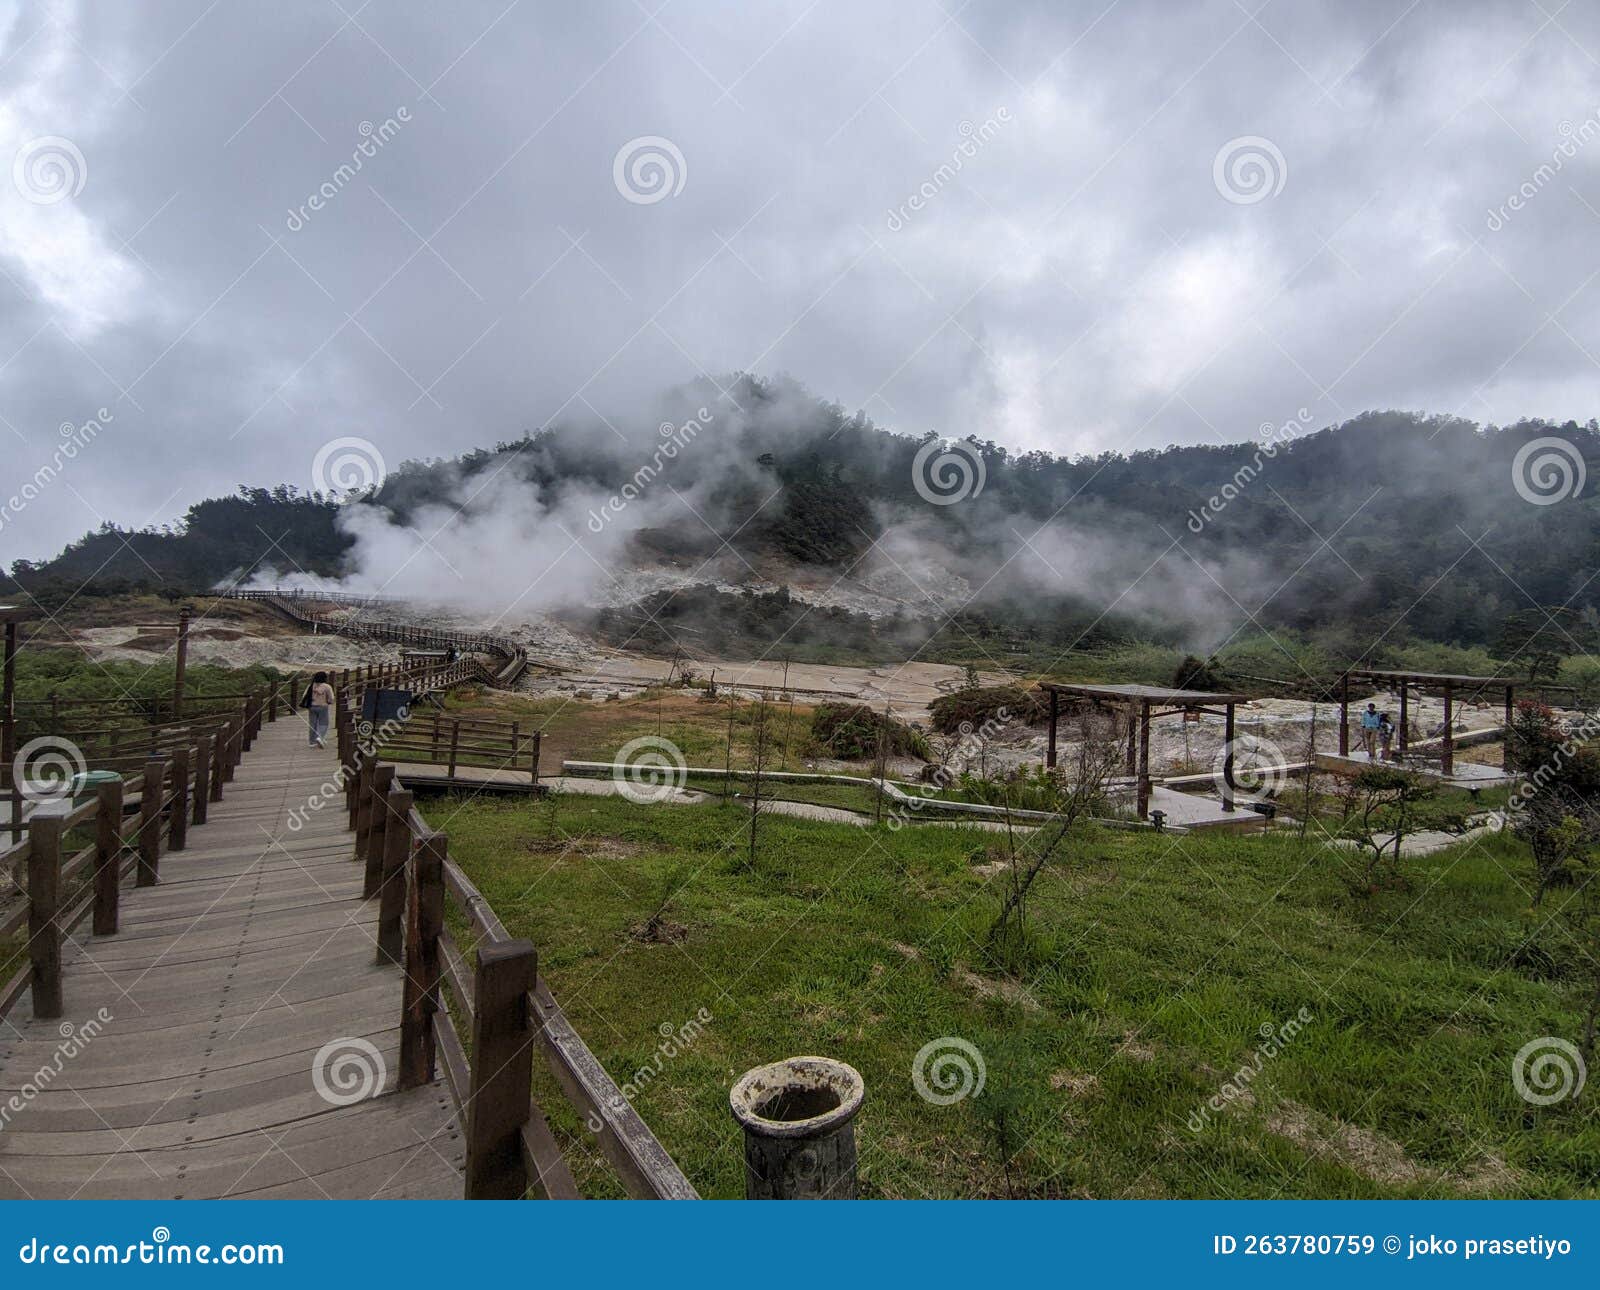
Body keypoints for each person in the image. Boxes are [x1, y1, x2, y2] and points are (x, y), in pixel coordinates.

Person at [305, 671, 335, 748]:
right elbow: (331, 698)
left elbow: (304, 696)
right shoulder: (327, 686)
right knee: (324, 723)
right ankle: (320, 737)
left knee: (312, 724)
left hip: (312, 707)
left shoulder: (311, 686)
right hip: (323, 706)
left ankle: (312, 742)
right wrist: (329, 702)